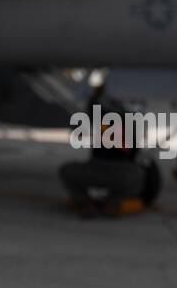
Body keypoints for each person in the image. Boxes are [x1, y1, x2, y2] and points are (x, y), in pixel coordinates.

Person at [59, 85, 152, 217]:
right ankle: (113, 203)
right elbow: (134, 156)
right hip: (121, 175)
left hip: (94, 170)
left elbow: (88, 114)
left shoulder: (100, 119)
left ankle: (85, 201)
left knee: (66, 170)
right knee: (140, 175)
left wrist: (98, 94)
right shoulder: (131, 124)